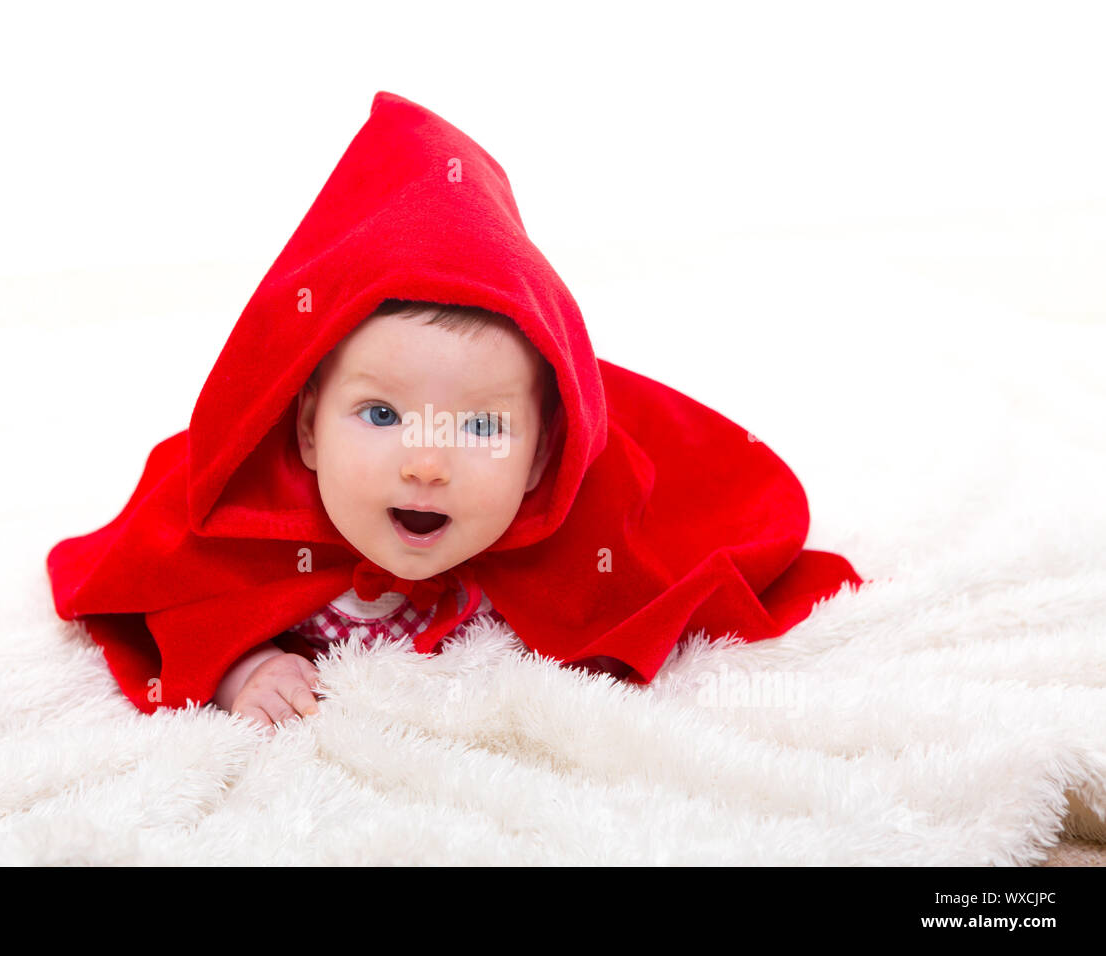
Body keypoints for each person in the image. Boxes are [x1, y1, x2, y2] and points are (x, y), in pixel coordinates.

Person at [45, 91, 864, 727]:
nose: (427, 461)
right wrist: (236, 668)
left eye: (481, 427)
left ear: (545, 456)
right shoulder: (252, 525)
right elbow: (152, 595)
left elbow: (661, 569)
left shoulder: (568, 530)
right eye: (378, 414)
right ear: (305, 429)